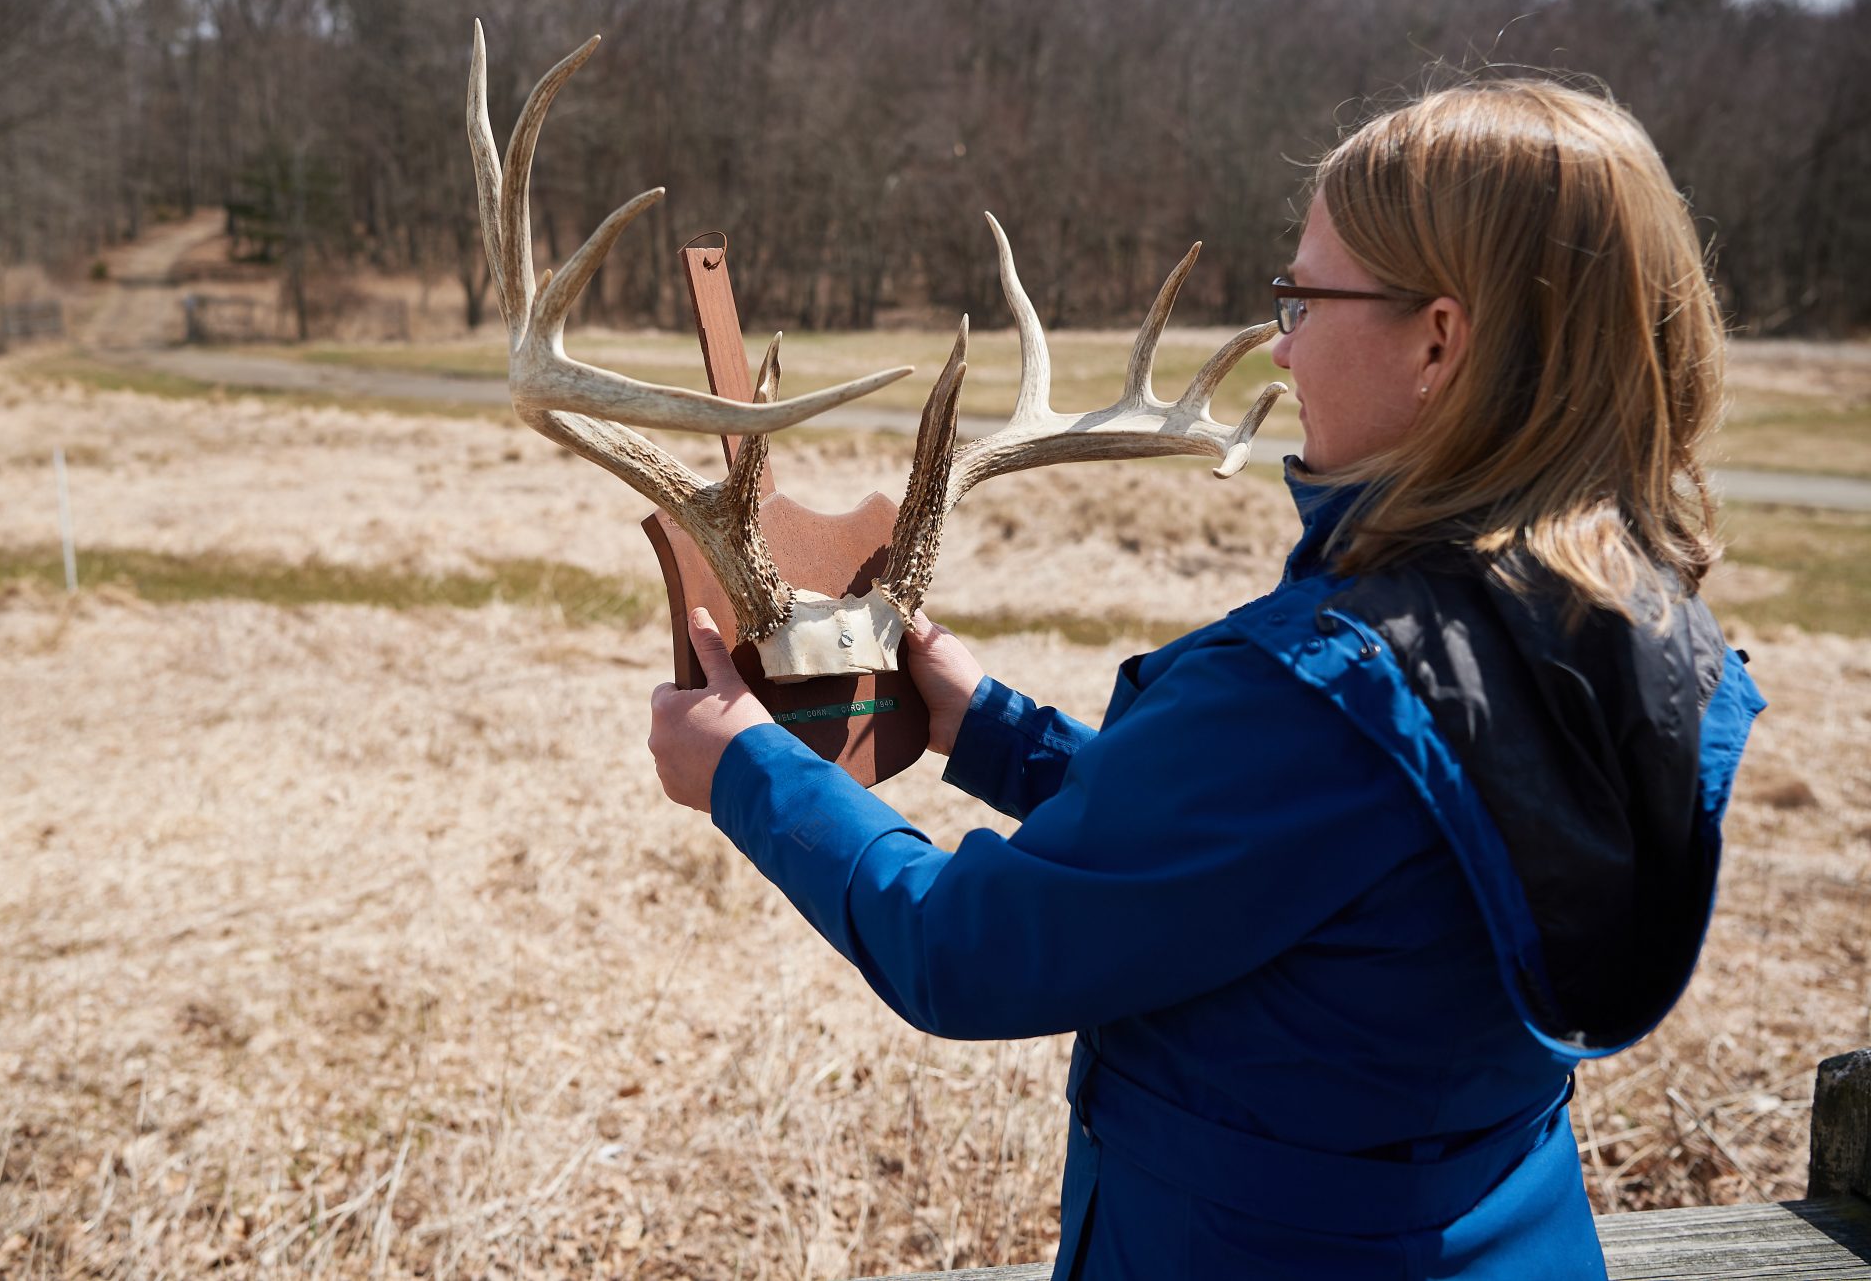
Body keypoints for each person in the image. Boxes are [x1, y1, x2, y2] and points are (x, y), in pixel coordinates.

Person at [646, 79, 1766, 1279]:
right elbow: (1294, 863)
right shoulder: (1612, 633)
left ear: (1437, 341)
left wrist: (746, 770)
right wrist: (995, 733)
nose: (1279, 343)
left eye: (1305, 298)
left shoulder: (1323, 692)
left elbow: (965, 949)